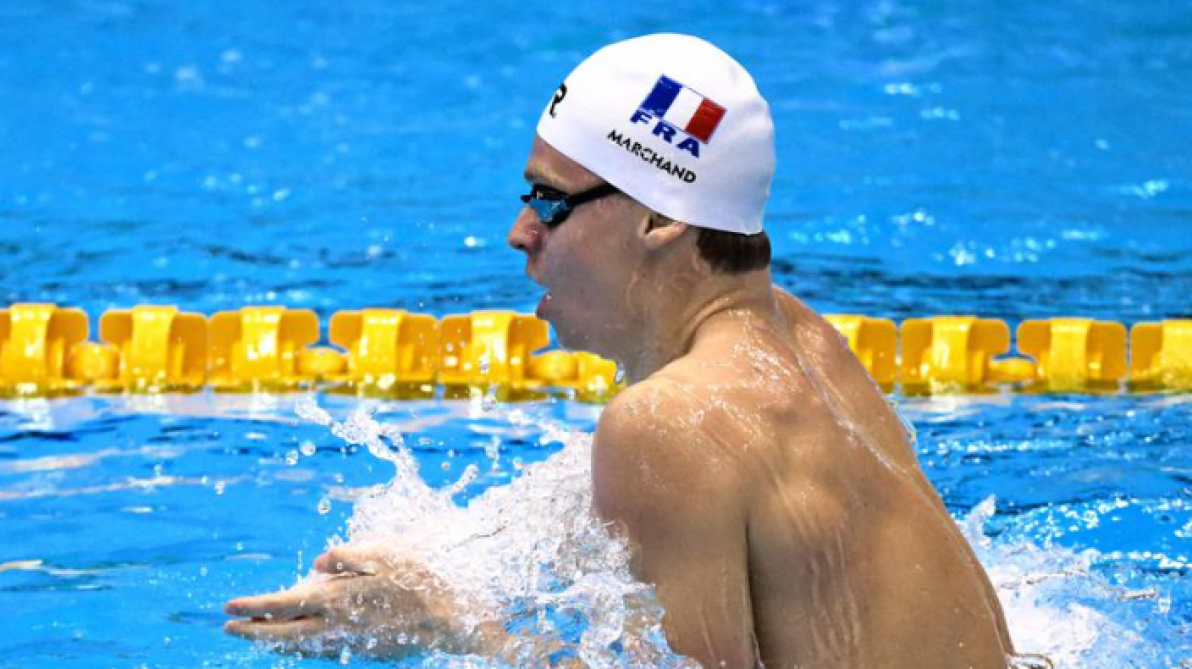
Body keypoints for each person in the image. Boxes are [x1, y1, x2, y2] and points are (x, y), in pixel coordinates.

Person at [225, 33, 1016, 668]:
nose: (520, 234)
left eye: (551, 201)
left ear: (657, 220)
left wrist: (443, 620)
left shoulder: (668, 421)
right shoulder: (799, 336)